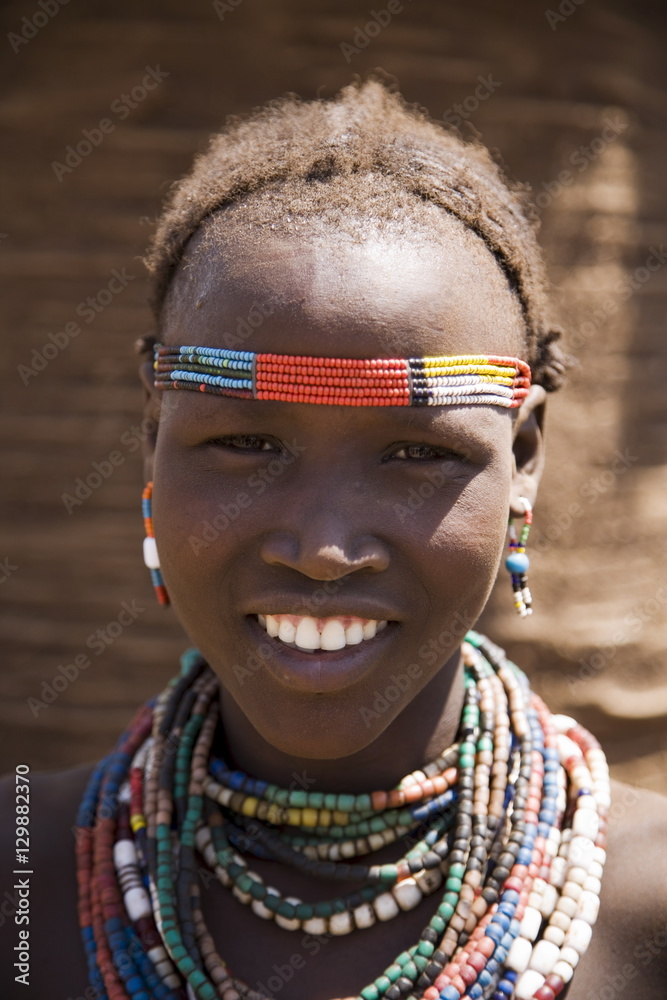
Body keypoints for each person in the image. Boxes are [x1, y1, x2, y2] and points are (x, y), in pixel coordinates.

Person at [1, 77, 666, 1000]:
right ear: (153, 435)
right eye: (245, 443)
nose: (322, 548)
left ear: (521, 461)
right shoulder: (20, 884)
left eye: (414, 452)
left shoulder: (646, 909)